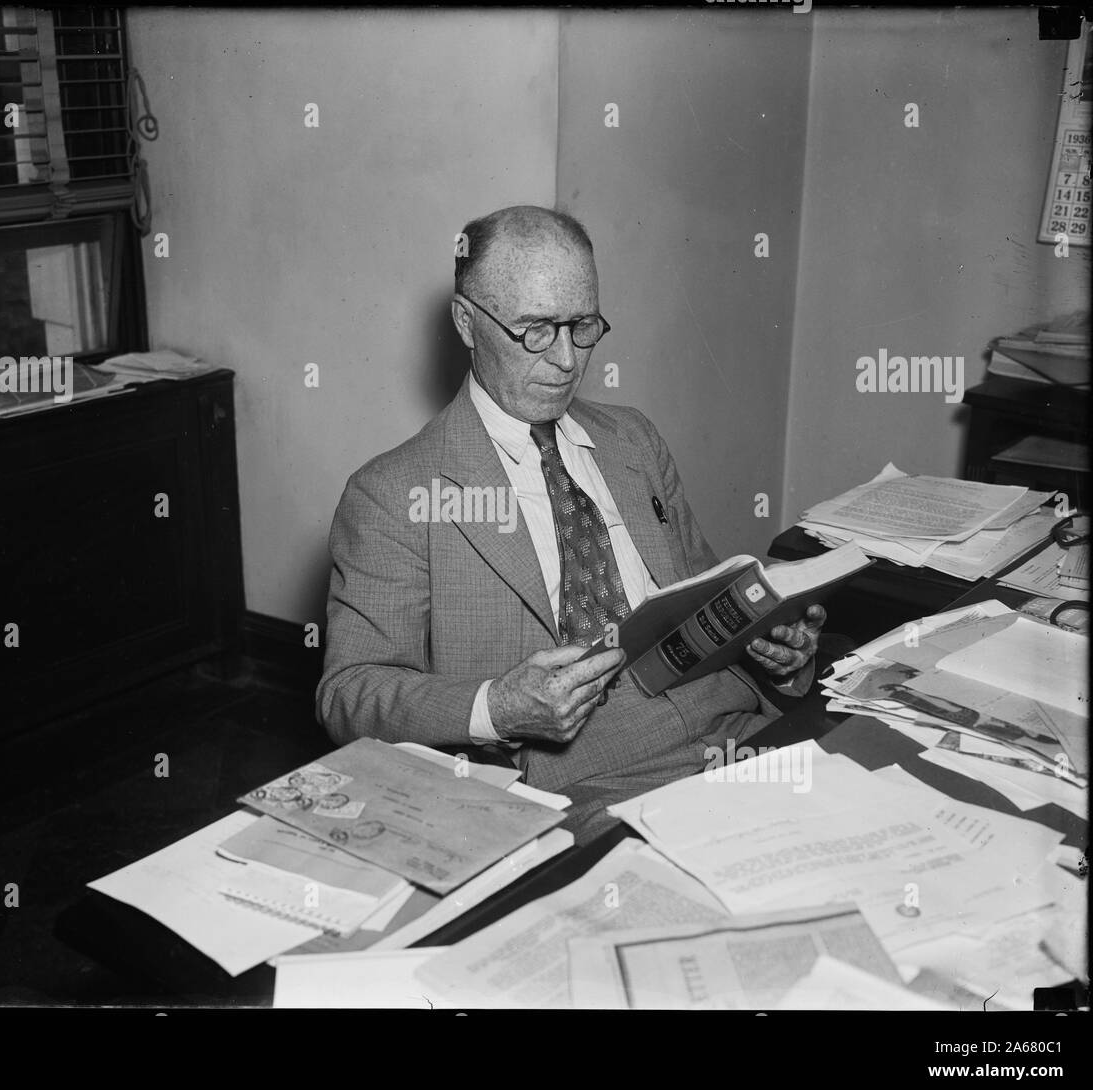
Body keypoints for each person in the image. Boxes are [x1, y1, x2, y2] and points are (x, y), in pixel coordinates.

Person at [317, 205, 826, 840]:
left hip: (741, 736)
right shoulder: (393, 493)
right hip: (579, 786)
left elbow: (714, 604)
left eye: (583, 326)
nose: (566, 360)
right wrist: (498, 708)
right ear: (467, 322)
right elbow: (349, 692)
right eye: (535, 330)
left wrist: (778, 649)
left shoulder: (633, 440)